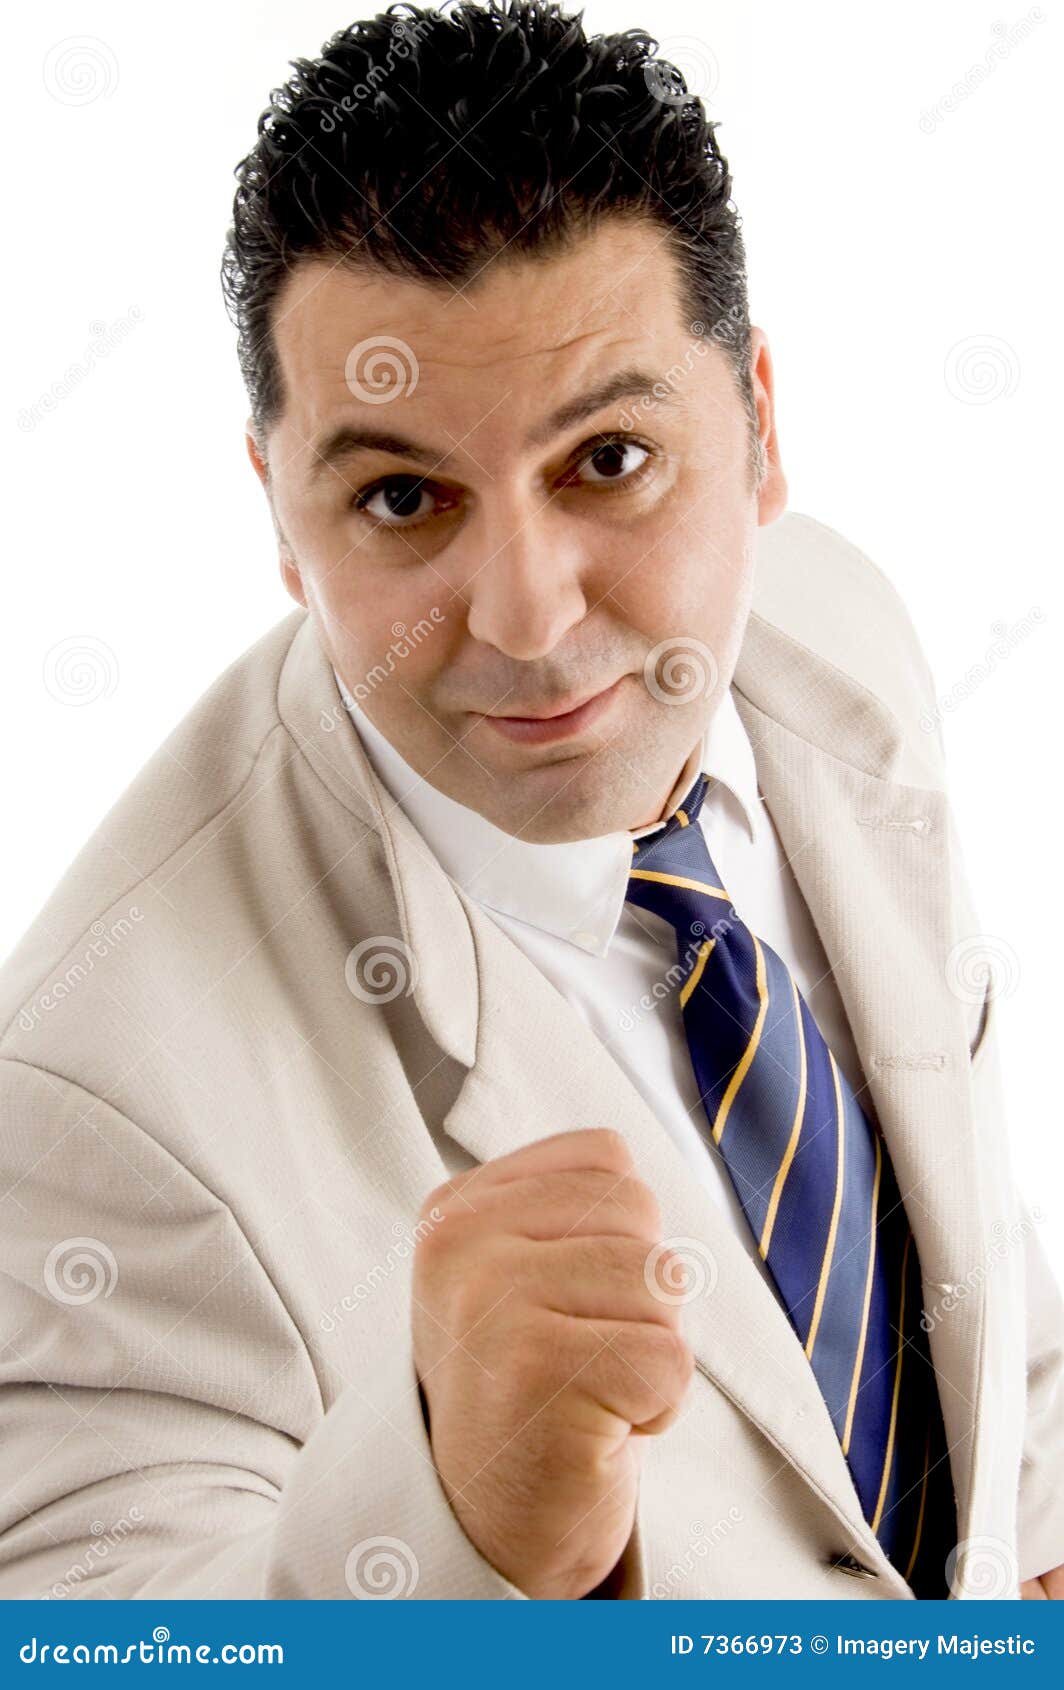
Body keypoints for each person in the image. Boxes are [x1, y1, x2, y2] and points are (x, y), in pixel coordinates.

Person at [1, 0, 1060, 1601]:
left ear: (762, 427)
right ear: (282, 524)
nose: (527, 618)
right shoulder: (93, 1098)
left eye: (610, 461)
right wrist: (460, 1520)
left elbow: (973, 1294)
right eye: (403, 497)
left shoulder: (837, 634)